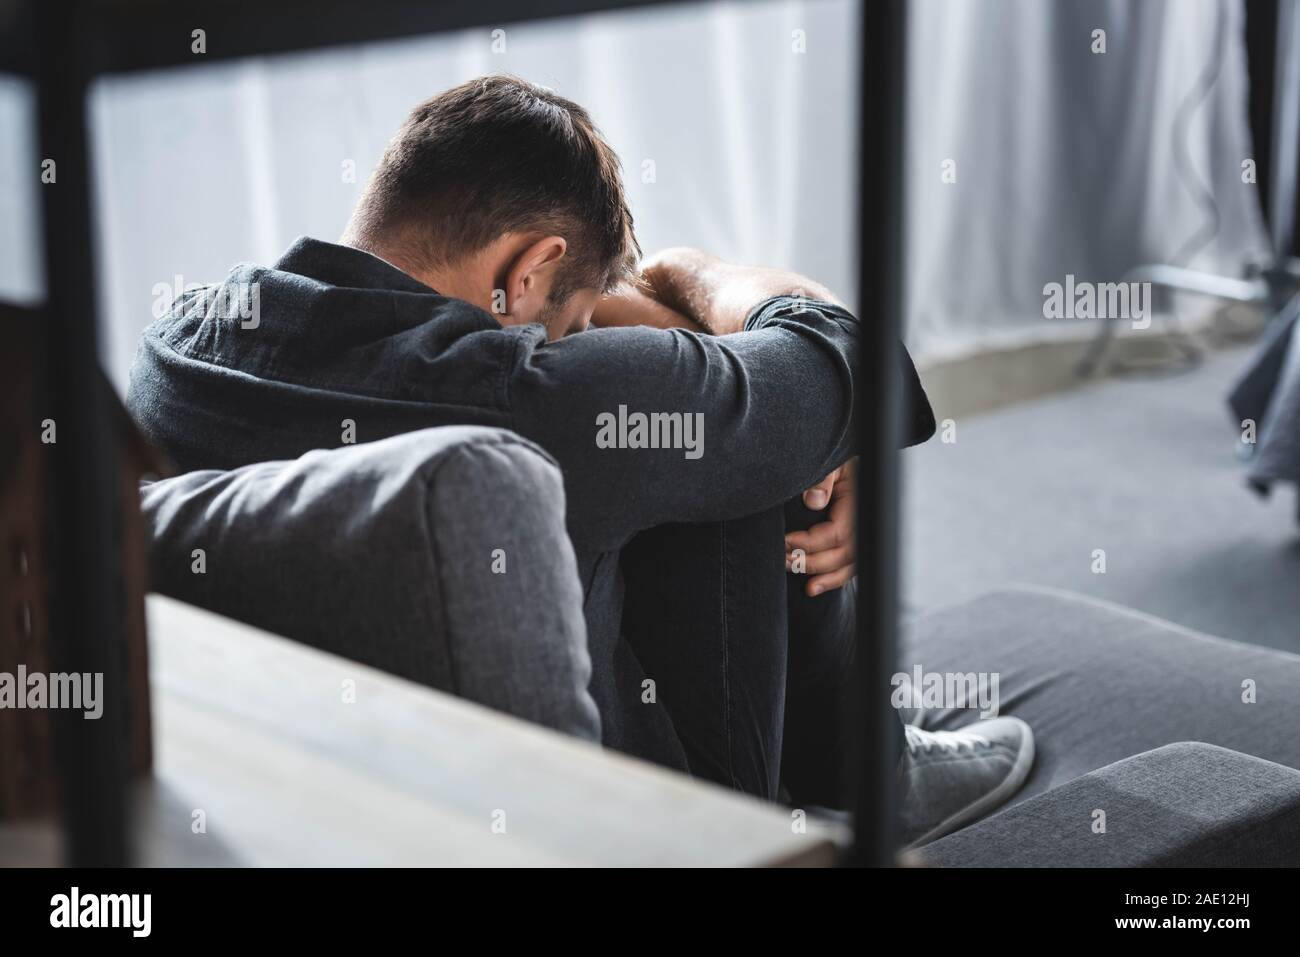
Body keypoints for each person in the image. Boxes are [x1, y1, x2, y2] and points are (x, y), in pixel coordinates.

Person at [127, 73, 1033, 847]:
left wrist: (603, 308)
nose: (571, 344)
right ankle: (867, 772)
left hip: (308, 797)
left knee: (709, 403)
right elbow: (841, 359)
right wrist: (694, 274)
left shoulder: (176, 345)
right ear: (528, 271)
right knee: (746, 427)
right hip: (633, 815)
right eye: (570, 319)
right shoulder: (529, 404)